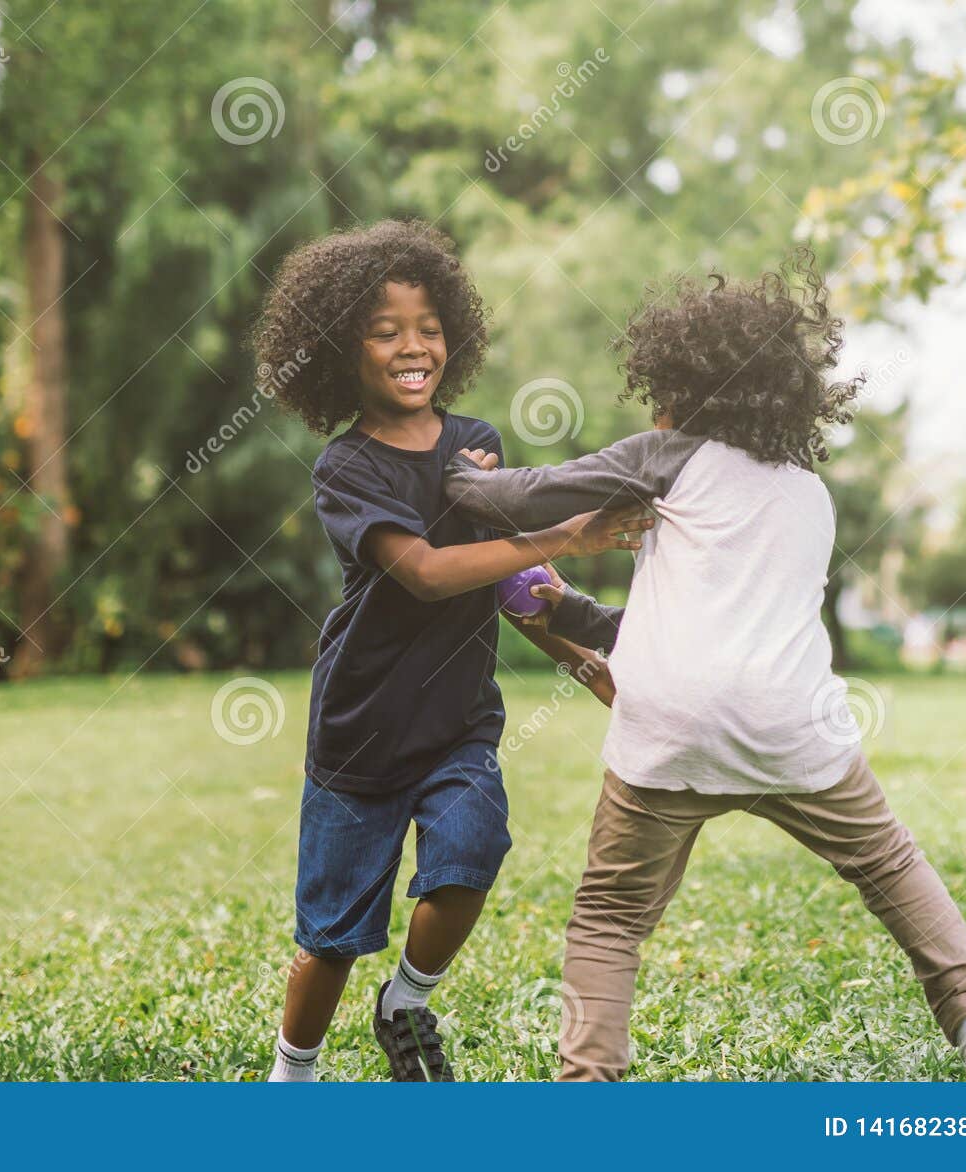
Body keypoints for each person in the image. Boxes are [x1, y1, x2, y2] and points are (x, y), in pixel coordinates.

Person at [444, 251, 966, 1083]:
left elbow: (530, 494)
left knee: (610, 917)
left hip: (672, 729)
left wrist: (457, 478)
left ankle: (585, 1093)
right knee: (890, 865)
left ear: (681, 390)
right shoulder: (809, 494)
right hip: (791, 726)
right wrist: (572, 614)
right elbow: (712, 624)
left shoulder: (667, 456)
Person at [252, 220, 650, 1081]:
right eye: (384, 329)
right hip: (361, 730)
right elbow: (428, 574)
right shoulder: (346, 468)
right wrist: (570, 534)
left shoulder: (475, 446)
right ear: (337, 350)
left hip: (458, 721)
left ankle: (408, 1000)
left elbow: (509, 586)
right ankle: (293, 1075)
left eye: (428, 326)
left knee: (471, 851)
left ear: (454, 336)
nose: (412, 345)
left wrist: (594, 665)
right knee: (330, 940)